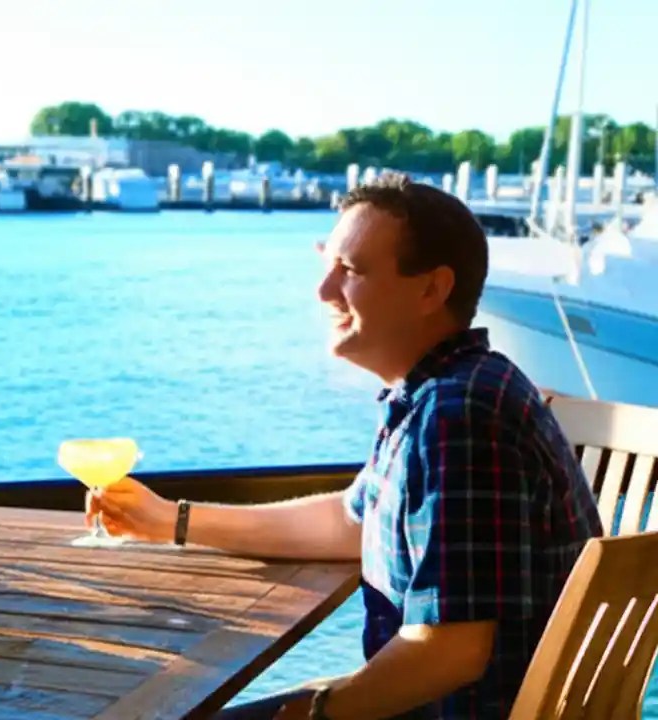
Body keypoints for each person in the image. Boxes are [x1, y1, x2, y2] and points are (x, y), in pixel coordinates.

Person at [89, 173, 603, 719]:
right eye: (326, 266)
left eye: (350, 271)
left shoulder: (461, 416)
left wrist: (320, 715)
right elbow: (348, 523)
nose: (323, 290)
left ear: (432, 289)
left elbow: (452, 653)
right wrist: (172, 520)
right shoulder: (446, 391)